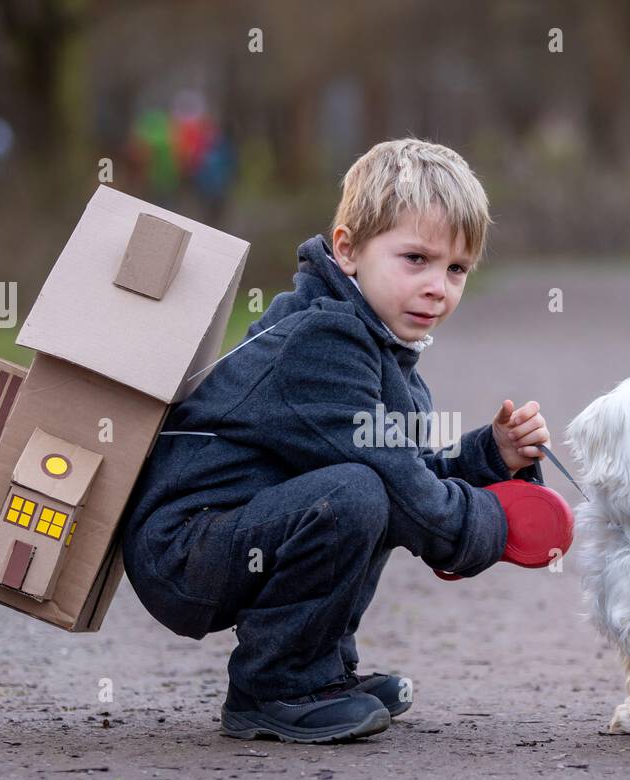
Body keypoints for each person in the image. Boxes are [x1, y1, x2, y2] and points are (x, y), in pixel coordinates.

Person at [121, 138, 550, 743]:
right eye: (416, 259)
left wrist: (490, 456)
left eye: (456, 270)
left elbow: (413, 468)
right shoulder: (323, 343)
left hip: (229, 528)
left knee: (367, 486)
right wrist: (493, 526)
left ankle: (323, 670)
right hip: (185, 545)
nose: (438, 287)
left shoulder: (379, 344)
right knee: (358, 493)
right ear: (348, 250)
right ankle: (274, 685)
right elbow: (408, 493)